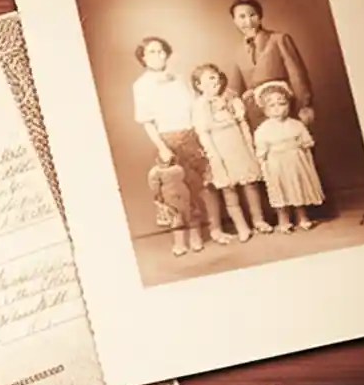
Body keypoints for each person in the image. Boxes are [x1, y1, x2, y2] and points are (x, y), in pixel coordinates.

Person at [131, 36, 233, 251]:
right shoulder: (141, 86)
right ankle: (187, 239)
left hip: (192, 135)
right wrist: (162, 148)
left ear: (167, 53)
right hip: (168, 140)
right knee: (179, 193)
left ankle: (215, 230)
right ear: (142, 57)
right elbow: (146, 122)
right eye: (151, 52)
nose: (158, 56)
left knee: (207, 186)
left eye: (161, 51)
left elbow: (194, 108)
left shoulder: (179, 78)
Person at [190, 63, 272, 241]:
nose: (216, 81)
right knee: (229, 189)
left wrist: (249, 145)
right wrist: (214, 156)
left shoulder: (231, 98)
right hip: (220, 149)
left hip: (238, 145)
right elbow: (203, 133)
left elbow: (242, 124)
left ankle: (258, 220)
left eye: (217, 76)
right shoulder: (201, 105)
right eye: (210, 78)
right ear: (198, 84)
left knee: (250, 184)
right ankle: (242, 227)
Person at [228, 0, 314, 128]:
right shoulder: (238, 51)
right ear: (234, 21)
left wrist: (304, 106)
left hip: (284, 106)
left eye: (252, 15)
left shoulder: (279, 39)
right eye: (242, 17)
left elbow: (297, 75)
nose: (248, 21)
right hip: (258, 114)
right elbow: (235, 88)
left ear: (260, 17)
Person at [253, 82, 324, 232]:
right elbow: (261, 149)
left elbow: (306, 142)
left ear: (288, 105)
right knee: (280, 189)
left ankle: (302, 217)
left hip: (294, 161)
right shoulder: (263, 130)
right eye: (272, 105)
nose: (278, 108)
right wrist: (264, 160)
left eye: (282, 103)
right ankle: (283, 220)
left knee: (297, 187)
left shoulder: (296, 124)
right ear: (265, 110)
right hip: (276, 163)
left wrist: (302, 148)